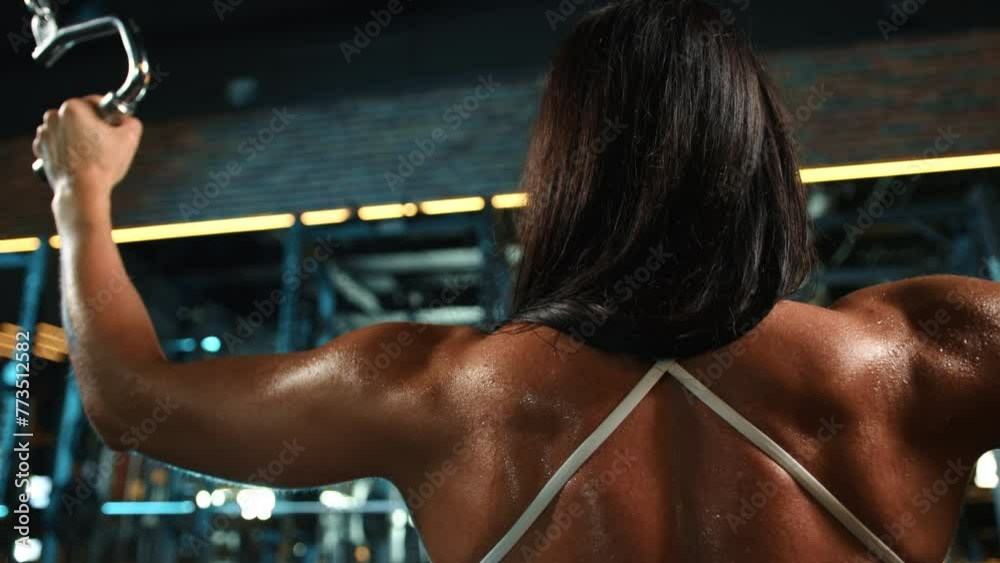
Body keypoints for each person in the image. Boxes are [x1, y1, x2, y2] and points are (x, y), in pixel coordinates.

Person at [33, 0, 998, 561]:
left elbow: (129, 400)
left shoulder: (445, 396)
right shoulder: (920, 357)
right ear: (760, 157)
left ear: (566, 170)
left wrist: (83, 189)